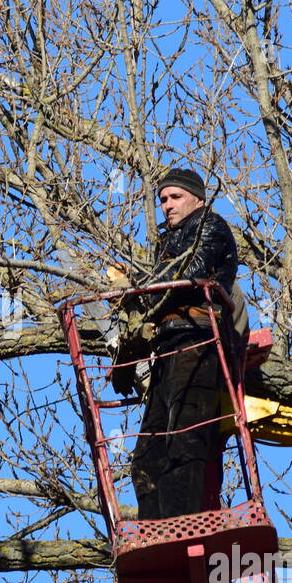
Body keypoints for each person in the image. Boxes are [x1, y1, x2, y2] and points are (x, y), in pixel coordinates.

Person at [111, 167, 249, 522]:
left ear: (197, 199)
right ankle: (153, 530)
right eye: (162, 200)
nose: (167, 206)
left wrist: (136, 287)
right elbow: (159, 292)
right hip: (169, 345)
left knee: (184, 440)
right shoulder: (167, 240)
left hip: (199, 338)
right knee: (146, 456)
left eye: (175, 197)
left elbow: (191, 273)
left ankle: (179, 527)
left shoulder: (210, 226)